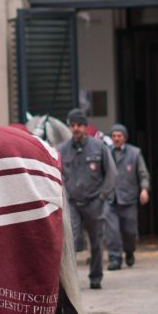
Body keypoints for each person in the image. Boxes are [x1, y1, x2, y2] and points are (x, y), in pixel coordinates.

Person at [57, 108, 117, 289]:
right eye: (73, 125)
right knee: (70, 242)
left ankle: (96, 276)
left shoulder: (99, 147)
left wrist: (102, 196)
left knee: (96, 241)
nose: (76, 129)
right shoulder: (61, 150)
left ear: (85, 126)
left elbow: (111, 174)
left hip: (93, 202)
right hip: (73, 203)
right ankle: (70, 282)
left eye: (79, 125)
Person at [103, 123, 149, 270]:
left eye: (119, 136)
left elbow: (143, 174)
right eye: (114, 136)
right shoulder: (105, 153)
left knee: (129, 232)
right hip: (110, 199)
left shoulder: (135, 153)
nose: (116, 139)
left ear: (125, 138)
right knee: (112, 231)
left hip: (128, 199)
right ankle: (115, 258)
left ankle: (129, 251)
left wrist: (144, 189)